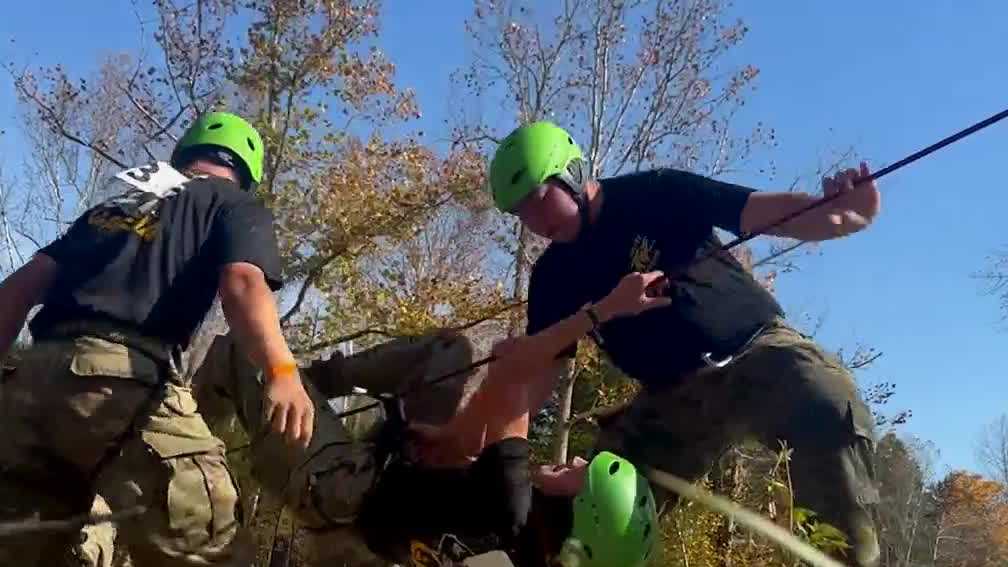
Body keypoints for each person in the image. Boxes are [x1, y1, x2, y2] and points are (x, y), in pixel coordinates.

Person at [426, 121, 884, 567]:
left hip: (756, 352)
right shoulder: (552, 277)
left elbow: (770, 214)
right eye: (521, 214)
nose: (535, 221)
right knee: (590, 501)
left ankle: (851, 560)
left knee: (824, 401)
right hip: (670, 400)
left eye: (539, 200)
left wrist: (846, 215)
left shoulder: (657, 193)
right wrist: (485, 456)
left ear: (572, 174)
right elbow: (538, 376)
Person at [186, 269, 667, 567]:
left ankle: (182, 426)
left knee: (241, 349)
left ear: (583, 512)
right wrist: (451, 438)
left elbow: (513, 361)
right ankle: (317, 382)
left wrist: (603, 310)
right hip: (372, 520)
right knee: (449, 351)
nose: (579, 461)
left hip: (336, 489)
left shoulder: (511, 498)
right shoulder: (524, 549)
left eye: (584, 475)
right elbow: (472, 447)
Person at [0, 111, 314, 566]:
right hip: (119, 383)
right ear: (248, 170)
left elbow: (21, 286)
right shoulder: (232, 204)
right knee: (212, 548)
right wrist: (281, 370)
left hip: (29, 385)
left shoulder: (113, 209)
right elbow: (243, 282)